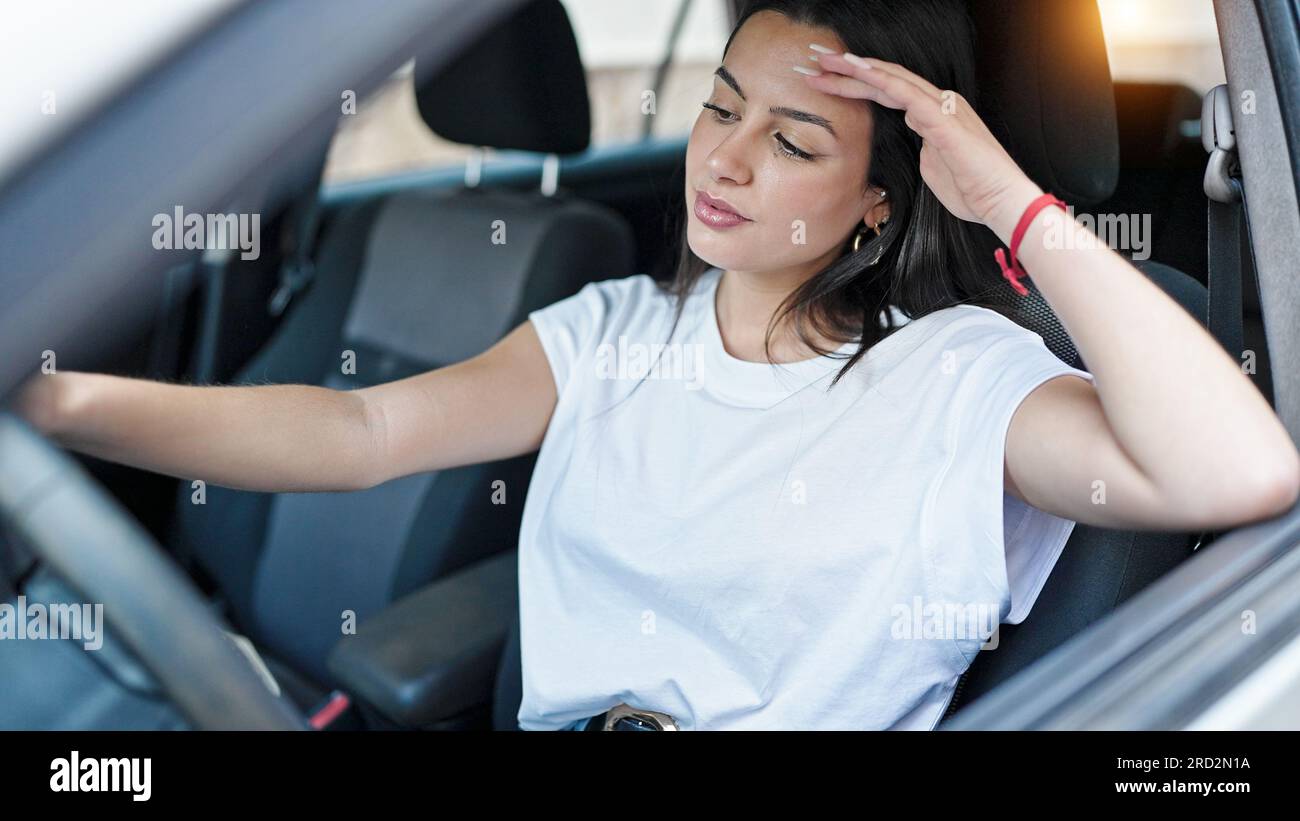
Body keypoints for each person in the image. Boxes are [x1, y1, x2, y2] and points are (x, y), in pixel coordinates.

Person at [14, 0, 1300, 730]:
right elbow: (356, 437)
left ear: (878, 203)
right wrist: (50, 397)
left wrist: (1009, 199)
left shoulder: (965, 384)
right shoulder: (616, 330)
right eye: (720, 105)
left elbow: (1240, 469)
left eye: (793, 140)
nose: (726, 159)